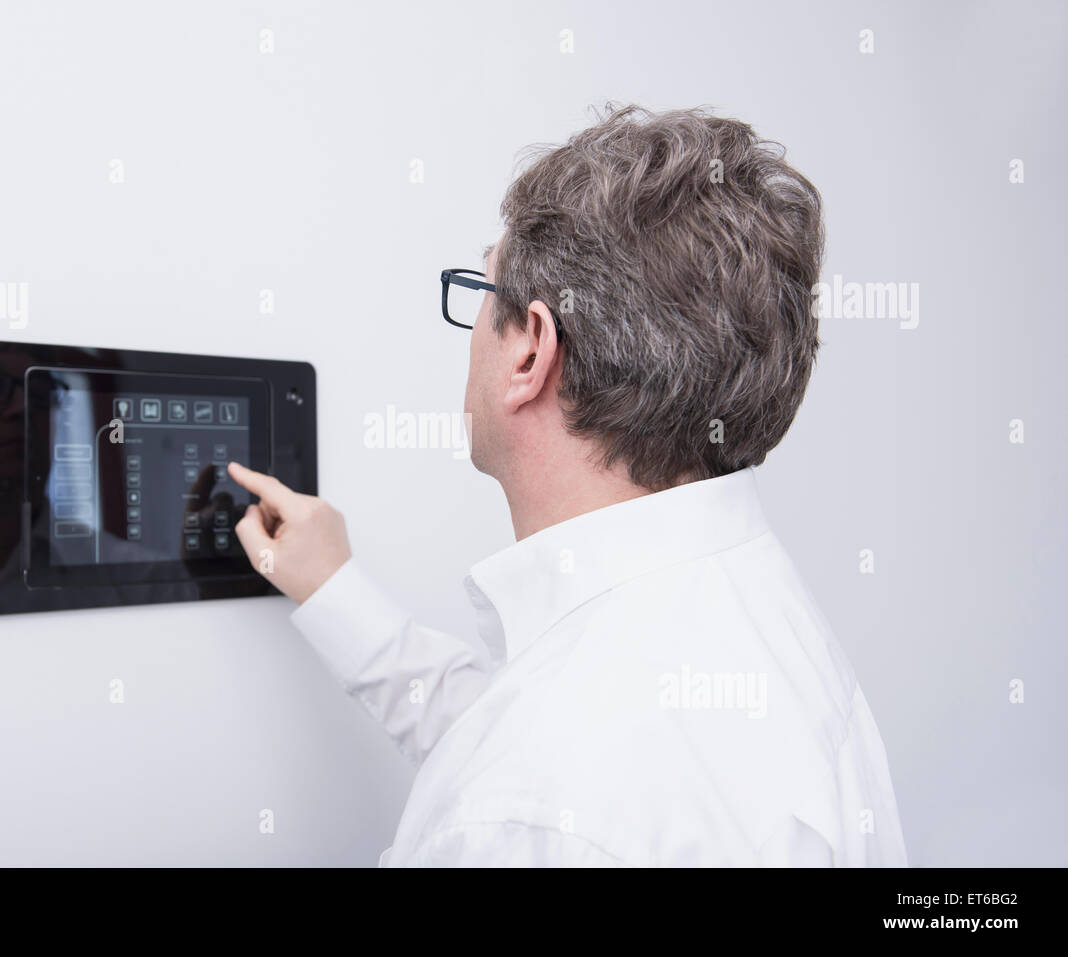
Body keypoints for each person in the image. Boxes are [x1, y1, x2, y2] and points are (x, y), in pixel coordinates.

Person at [226, 104, 907, 867]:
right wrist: (335, 591)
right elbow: (516, 730)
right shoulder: (745, 608)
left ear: (530, 353)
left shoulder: (524, 810)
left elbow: (526, 790)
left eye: (481, 291)